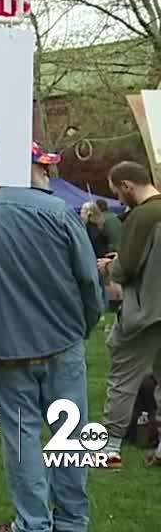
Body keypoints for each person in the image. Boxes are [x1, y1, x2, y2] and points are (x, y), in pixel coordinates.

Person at [0, 144, 101, 532]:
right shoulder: (59, 212)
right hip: (60, 344)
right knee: (68, 437)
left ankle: (33, 523)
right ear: (28, 168)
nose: (48, 174)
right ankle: (70, 520)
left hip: (1, 352)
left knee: (21, 437)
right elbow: (88, 284)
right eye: (43, 166)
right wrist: (82, 327)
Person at [98, 161, 161, 468]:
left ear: (127, 186)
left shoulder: (142, 215)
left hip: (146, 311)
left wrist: (109, 266)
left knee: (123, 379)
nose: (120, 199)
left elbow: (127, 268)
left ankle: (109, 448)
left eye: (118, 192)